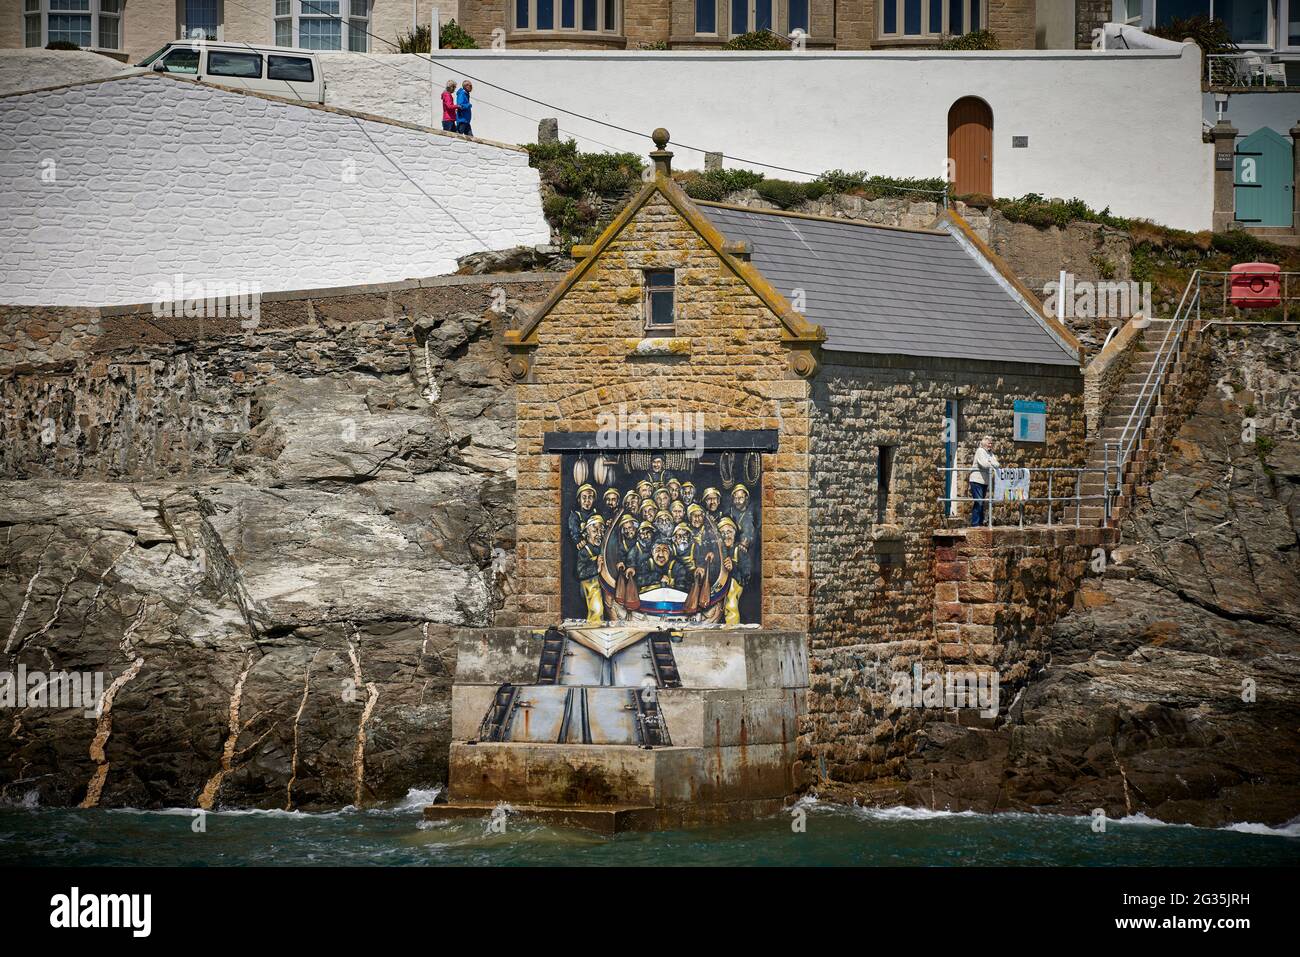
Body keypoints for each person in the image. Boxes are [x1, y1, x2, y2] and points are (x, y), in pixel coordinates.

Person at [969, 436, 1000, 527]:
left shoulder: (990, 453)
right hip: (977, 480)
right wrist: (991, 462)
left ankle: (980, 523)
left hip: (984, 481)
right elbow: (984, 464)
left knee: (981, 503)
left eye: (991, 443)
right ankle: (975, 523)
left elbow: (997, 464)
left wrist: (990, 461)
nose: (990, 445)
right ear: (984, 443)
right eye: (989, 443)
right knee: (979, 502)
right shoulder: (980, 451)